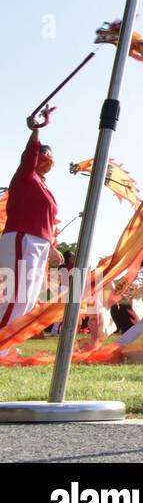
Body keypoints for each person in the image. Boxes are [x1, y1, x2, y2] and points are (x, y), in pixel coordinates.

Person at [1, 108, 59, 338]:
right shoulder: (25, 177)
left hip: (38, 244)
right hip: (21, 237)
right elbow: (29, 155)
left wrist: (51, 246)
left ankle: (7, 343)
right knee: (18, 296)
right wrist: (36, 132)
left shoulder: (44, 187)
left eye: (51, 156)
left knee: (28, 298)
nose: (48, 160)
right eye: (44, 155)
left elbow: (46, 220)